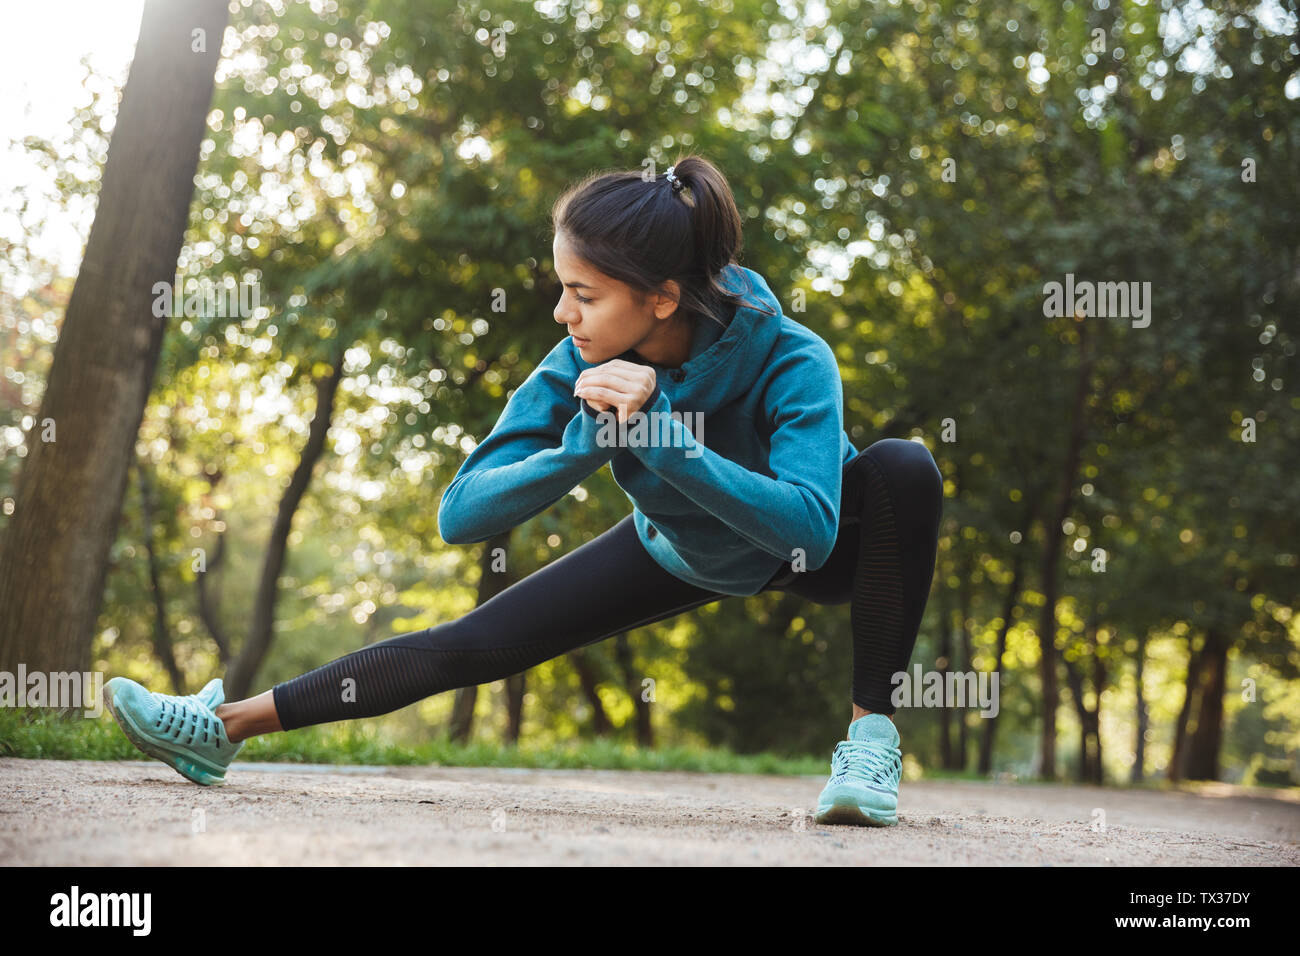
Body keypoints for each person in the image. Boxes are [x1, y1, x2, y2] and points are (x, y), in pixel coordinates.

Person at [103, 154, 943, 827]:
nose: (562, 314)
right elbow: (461, 514)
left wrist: (664, 444)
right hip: (679, 549)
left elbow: (811, 529)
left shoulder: (792, 357)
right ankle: (224, 728)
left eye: (583, 294)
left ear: (661, 299)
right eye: (561, 290)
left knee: (904, 465)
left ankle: (870, 742)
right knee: (472, 640)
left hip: (813, 544)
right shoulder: (576, 363)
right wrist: (583, 449)